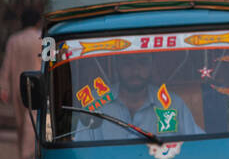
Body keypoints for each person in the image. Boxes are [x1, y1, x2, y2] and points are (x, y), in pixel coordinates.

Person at [73, 52, 202, 140]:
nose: (135, 71)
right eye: (127, 62)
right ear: (117, 65)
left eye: (143, 62)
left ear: (152, 65)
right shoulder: (95, 105)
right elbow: (83, 153)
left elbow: (198, 144)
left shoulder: (172, 104)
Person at [0, 8, 42, 159]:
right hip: (36, 84)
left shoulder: (13, 40)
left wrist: (4, 88)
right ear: (38, 22)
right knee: (31, 119)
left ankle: (23, 153)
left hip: (17, 83)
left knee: (20, 121)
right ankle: (26, 153)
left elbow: (7, 65)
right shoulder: (41, 39)